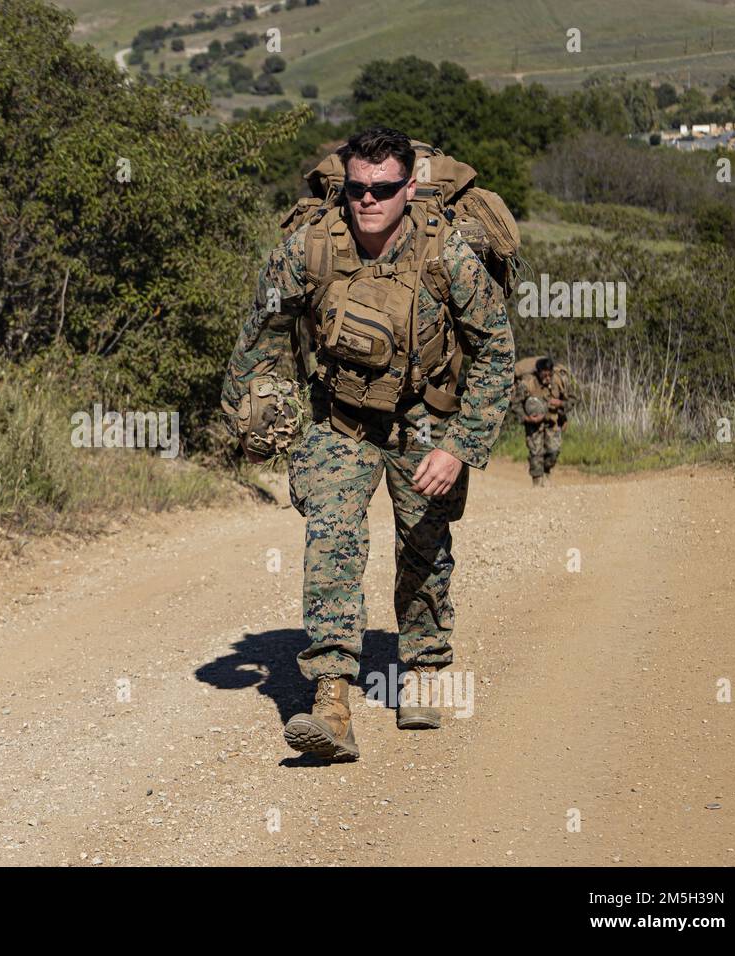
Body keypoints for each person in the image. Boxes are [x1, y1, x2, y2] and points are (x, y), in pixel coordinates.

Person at [220, 126, 515, 760]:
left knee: (425, 544)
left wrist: (460, 444)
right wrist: (259, 406)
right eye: (356, 189)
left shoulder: (447, 253)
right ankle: (331, 698)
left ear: (409, 188)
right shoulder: (310, 249)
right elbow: (263, 328)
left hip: (425, 421)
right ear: (345, 187)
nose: (368, 201)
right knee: (332, 533)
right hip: (339, 418)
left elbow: (496, 347)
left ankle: (425, 668)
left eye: (383, 189)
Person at [511, 356, 573, 487]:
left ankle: (547, 471)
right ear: (538, 372)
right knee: (535, 453)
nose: (547, 377)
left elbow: (572, 400)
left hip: (553, 421)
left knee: (553, 451)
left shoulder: (559, 381)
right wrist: (526, 418)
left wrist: (561, 403)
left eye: (549, 374)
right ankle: (537, 482)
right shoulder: (527, 383)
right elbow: (515, 404)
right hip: (533, 424)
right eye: (544, 374)